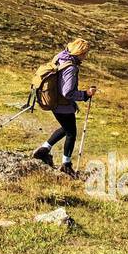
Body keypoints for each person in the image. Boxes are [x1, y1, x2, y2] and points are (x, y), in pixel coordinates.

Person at [32, 38, 97, 175]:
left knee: (66, 128)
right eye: (84, 54)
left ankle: (43, 150)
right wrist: (86, 94)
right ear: (79, 52)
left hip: (54, 101)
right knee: (71, 133)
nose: (85, 57)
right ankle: (66, 165)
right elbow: (67, 92)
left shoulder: (61, 56)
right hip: (62, 105)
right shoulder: (71, 68)